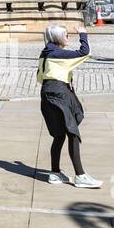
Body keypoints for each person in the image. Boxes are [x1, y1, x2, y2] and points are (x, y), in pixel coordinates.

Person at [38, 24, 101, 188]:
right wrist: (83, 34)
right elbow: (84, 52)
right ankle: (80, 176)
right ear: (58, 37)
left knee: (59, 135)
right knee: (72, 132)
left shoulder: (45, 53)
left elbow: (40, 77)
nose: (68, 37)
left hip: (47, 93)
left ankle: (55, 173)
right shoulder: (58, 54)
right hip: (59, 93)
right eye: (66, 35)